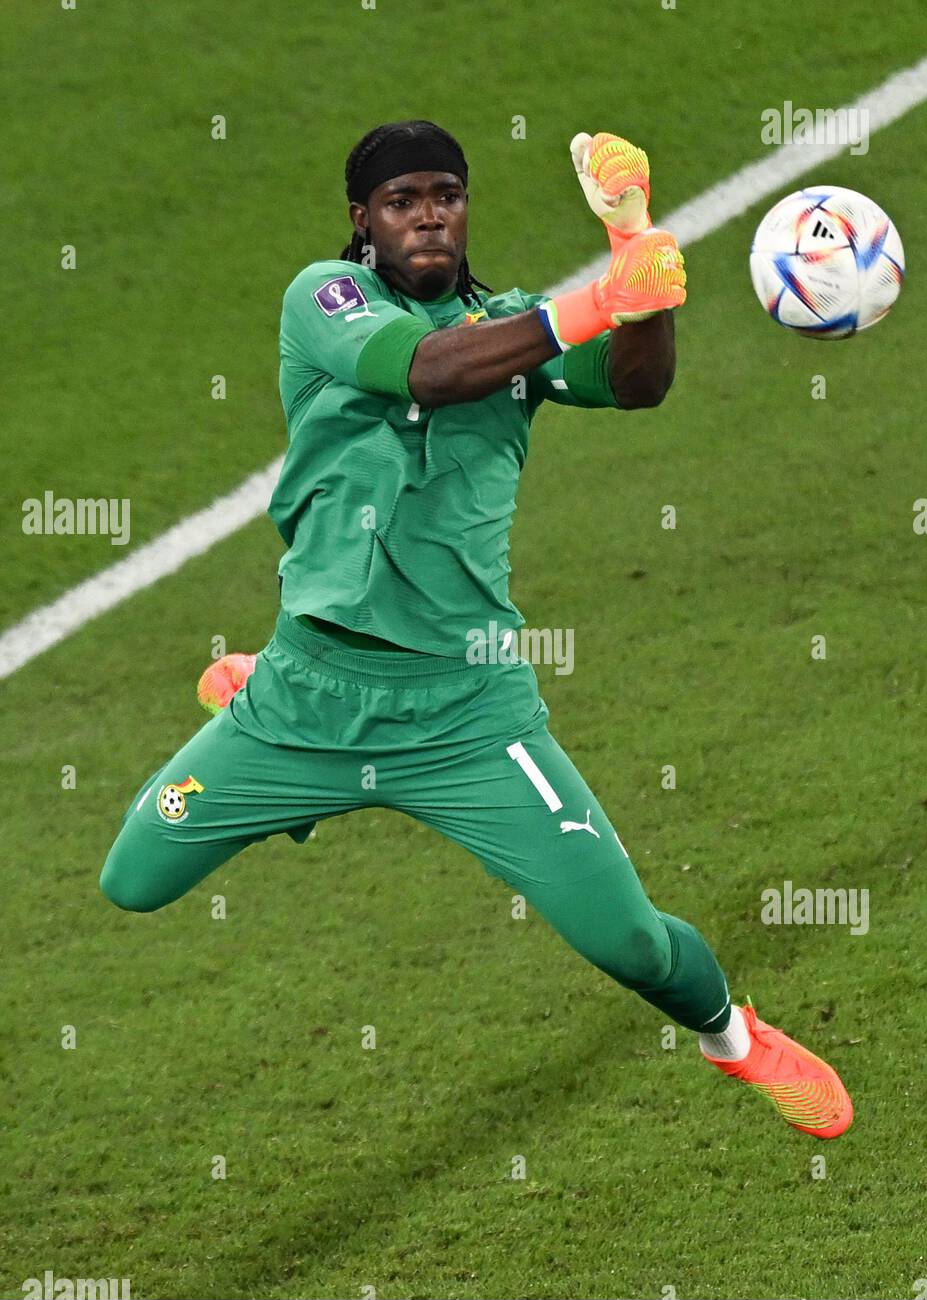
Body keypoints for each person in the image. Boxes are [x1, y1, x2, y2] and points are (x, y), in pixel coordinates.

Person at [101, 120, 852, 1140]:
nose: (428, 214)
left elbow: (636, 383)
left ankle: (733, 1037)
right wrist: (597, 297)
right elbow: (428, 371)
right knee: (132, 880)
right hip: (306, 697)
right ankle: (254, 714)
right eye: (403, 198)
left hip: (464, 714)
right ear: (361, 218)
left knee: (628, 941)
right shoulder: (324, 301)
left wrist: (641, 261)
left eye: (445, 195)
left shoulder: (510, 326)